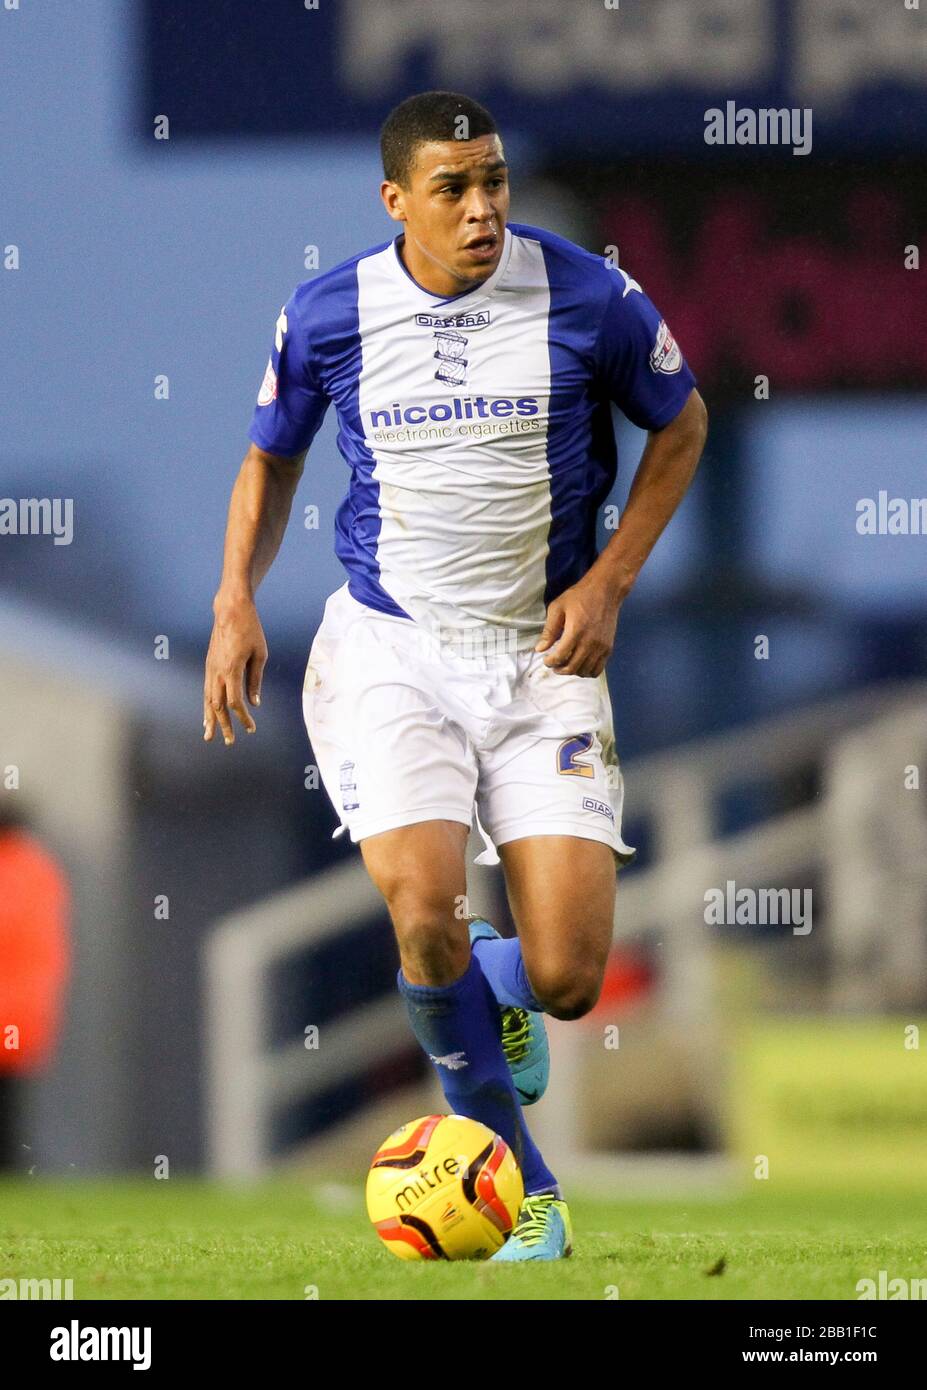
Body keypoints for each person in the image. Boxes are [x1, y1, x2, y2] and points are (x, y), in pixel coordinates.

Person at [204, 90, 707, 1260]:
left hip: (544, 655)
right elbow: (267, 457)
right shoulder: (330, 312)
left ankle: (499, 975)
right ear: (396, 200)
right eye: (452, 189)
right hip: (392, 652)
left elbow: (679, 427)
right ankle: (526, 1189)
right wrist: (234, 597)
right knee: (421, 905)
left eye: (494, 184)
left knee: (572, 979)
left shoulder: (589, 295)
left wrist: (611, 582)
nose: (482, 209)